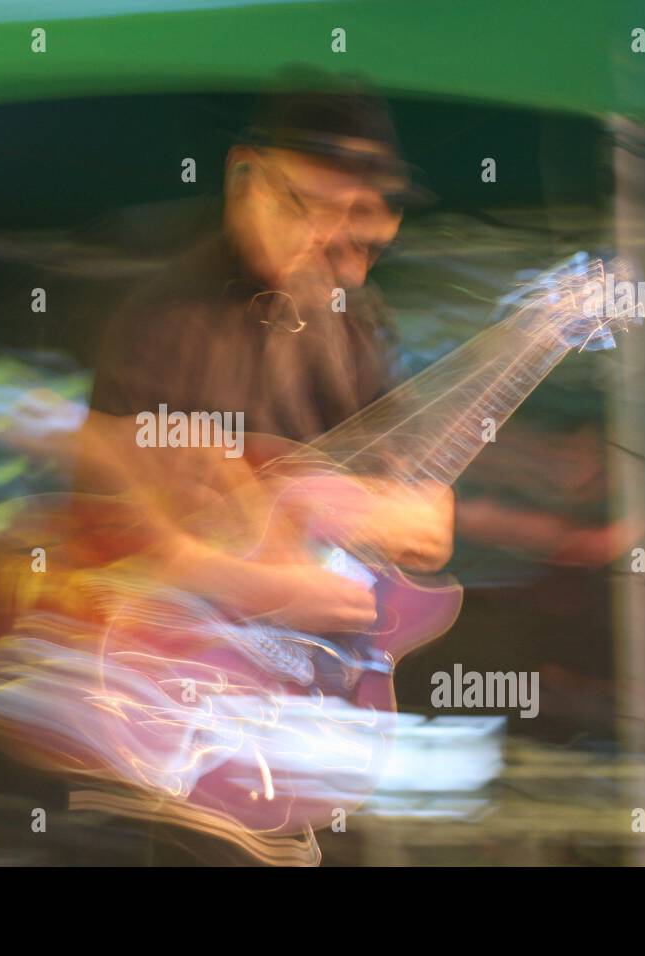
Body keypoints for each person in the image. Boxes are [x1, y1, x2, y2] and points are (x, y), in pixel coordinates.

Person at [75, 84, 455, 636]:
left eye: (353, 219)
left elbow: (391, 461)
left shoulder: (348, 315)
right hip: (169, 663)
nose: (325, 240)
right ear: (244, 178)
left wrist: (421, 508)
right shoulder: (153, 307)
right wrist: (260, 586)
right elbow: (111, 513)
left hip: (298, 667)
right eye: (304, 206)